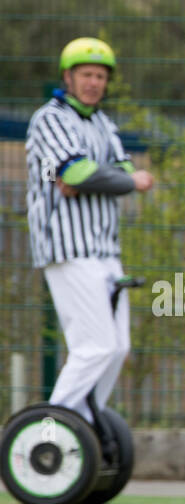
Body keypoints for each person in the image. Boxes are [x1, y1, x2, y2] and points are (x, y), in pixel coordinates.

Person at [25, 38, 155, 426]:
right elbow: (75, 173)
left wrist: (96, 176)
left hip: (105, 252)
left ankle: (82, 428)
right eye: (86, 74)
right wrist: (96, 175)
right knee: (94, 347)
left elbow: (127, 175)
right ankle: (49, 435)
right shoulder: (50, 118)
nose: (93, 82)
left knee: (116, 348)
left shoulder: (102, 122)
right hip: (67, 248)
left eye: (100, 76)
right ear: (68, 76)